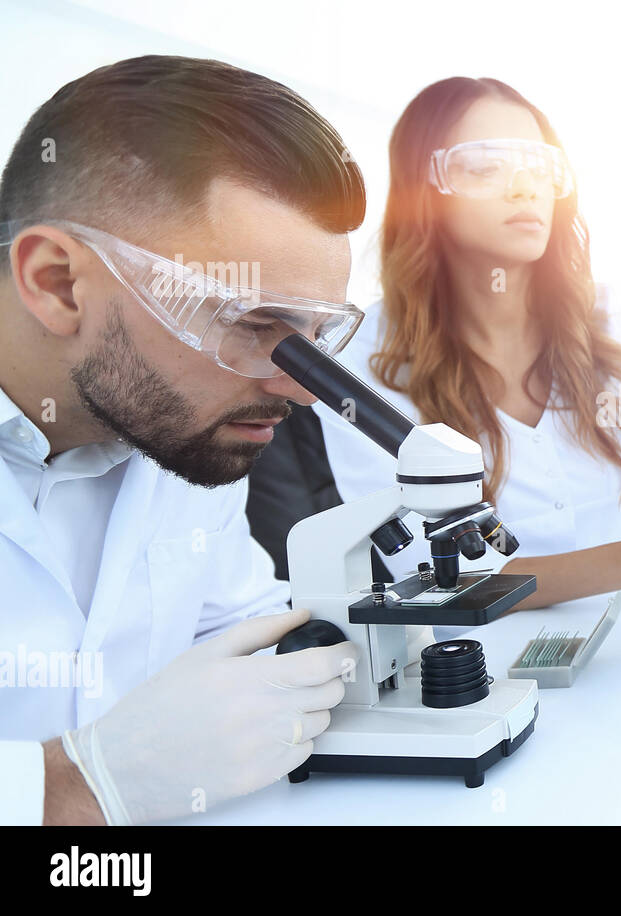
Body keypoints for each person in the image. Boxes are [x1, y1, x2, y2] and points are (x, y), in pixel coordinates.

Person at [0, 56, 363, 825]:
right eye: (251, 323)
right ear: (60, 282)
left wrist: (347, 654)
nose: (297, 386)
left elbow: (240, 626)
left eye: (312, 337)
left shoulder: (176, 433)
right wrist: (69, 788)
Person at [252, 77, 621, 612]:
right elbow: (455, 577)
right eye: (486, 166)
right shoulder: (357, 363)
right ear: (425, 187)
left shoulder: (614, 319)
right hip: (482, 677)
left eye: (539, 166)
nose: (523, 188)